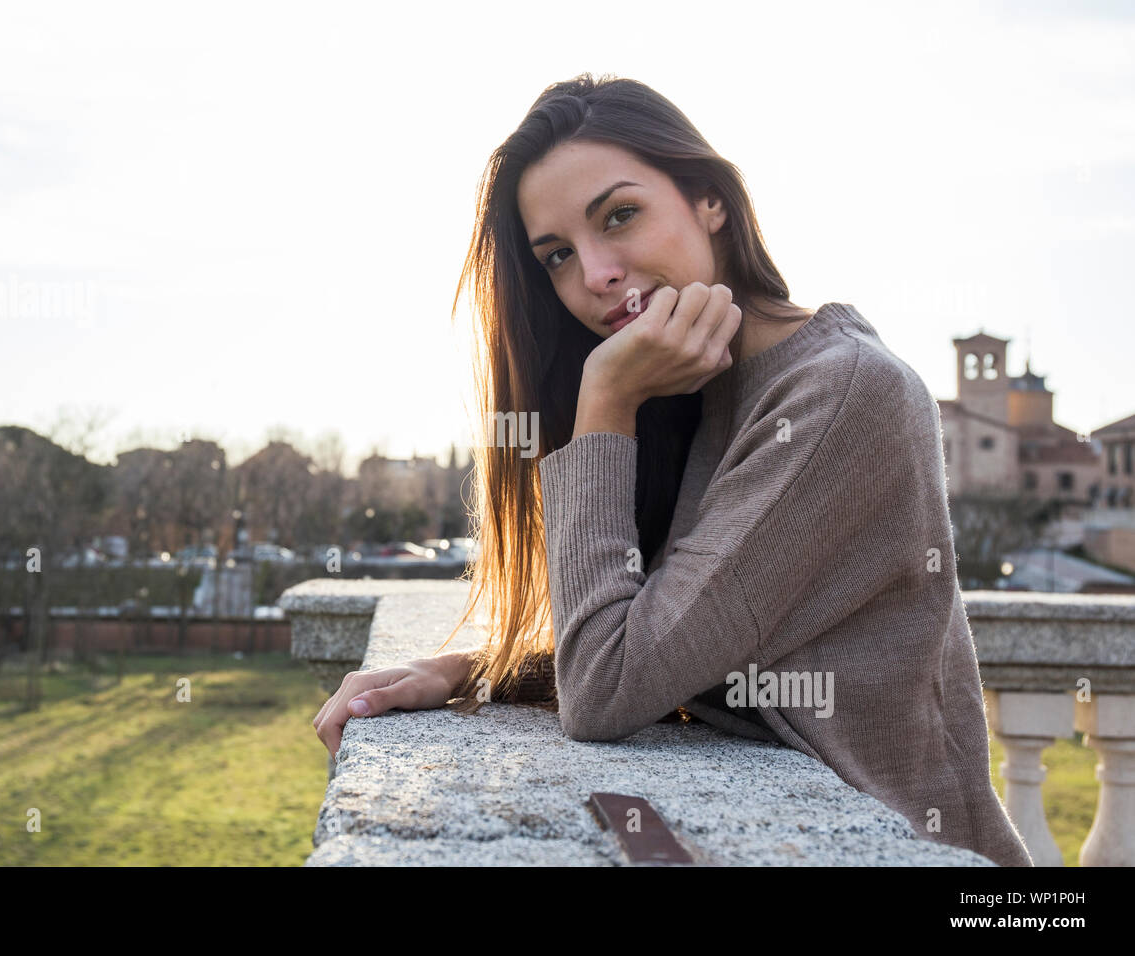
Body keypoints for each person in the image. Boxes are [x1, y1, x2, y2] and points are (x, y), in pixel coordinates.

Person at [313, 72, 1033, 867]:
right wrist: (470, 670)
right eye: (556, 255)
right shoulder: (692, 388)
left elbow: (608, 689)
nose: (594, 275)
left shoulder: (840, 392)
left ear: (709, 200)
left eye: (619, 216)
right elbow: (666, 639)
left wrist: (605, 398)